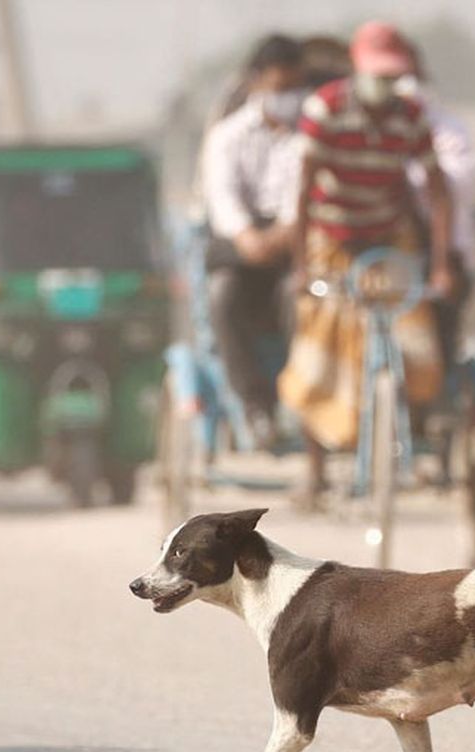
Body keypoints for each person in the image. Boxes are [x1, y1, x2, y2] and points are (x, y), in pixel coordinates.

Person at [279, 21, 454, 504]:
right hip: (331, 237)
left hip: (388, 238)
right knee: (321, 349)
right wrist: (300, 266)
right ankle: (315, 471)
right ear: (357, 69)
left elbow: (438, 190)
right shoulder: (326, 109)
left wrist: (440, 264)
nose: (385, 86)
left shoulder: (412, 117)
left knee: (417, 343)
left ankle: (412, 441)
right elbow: (304, 191)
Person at [200, 34, 307, 446]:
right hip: (239, 249)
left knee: (306, 299)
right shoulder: (227, 137)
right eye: (281, 88)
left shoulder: (309, 137)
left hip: (292, 249)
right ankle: (255, 406)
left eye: (294, 89)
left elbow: (305, 193)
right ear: (257, 83)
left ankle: (300, 401)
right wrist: (248, 237)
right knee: (221, 298)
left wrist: (282, 235)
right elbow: (222, 197)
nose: (288, 99)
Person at [398, 45, 475, 370]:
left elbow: (450, 188)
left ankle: (443, 397)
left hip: (444, 252)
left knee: (440, 335)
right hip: (390, 253)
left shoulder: (448, 130)